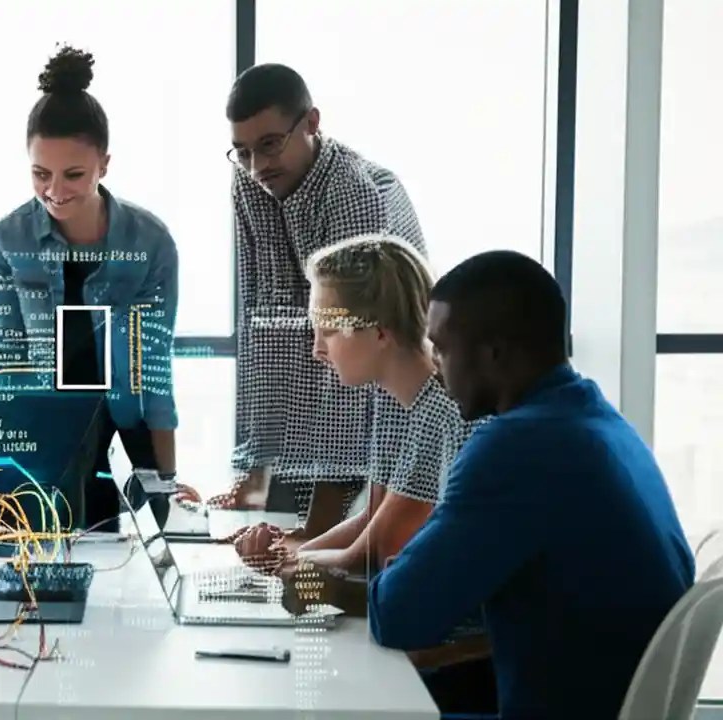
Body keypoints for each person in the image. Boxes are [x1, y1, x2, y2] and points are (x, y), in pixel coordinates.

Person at [291, 250, 695, 719]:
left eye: (441, 348)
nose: (436, 366)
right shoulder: (597, 422)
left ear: (493, 353)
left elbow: (399, 615)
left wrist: (322, 586)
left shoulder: (516, 448)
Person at [178, 63, 428, 534]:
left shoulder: (354, 193)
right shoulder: (251, 179)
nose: (258, 167)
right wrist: (253, 483)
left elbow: (354, 363)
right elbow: (262, 321)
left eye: (270, 145)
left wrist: (315, 531)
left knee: (336, 349)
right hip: (315, 404)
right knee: (273, 325)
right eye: (243, 152)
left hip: (386, 386)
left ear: (312, 123)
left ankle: (331, 521)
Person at [0, 45, 179, 531]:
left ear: (104, 165)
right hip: (40, 431)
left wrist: (167, 477)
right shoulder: (8, 241)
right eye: (40, 174)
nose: (55, 191)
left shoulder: (149, 243)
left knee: (128, 572)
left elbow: (153, 368)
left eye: (74, 175)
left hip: (128, 433)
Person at [231, 235, 478, 578]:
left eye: (329, 330)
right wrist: (289, 554)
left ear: (379, 333)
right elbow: (370, 519)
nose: (317, 349)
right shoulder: (392, 400)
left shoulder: (441, 411)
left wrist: (284, 563)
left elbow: (375, 551)